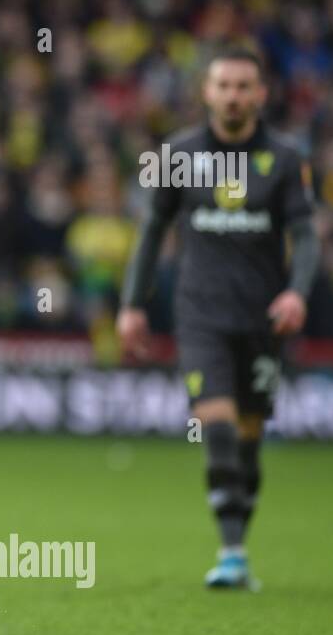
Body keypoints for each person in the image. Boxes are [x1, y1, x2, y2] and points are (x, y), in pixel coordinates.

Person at [118, 48, 319, 589]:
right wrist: (133, 305)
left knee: (250, 438)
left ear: (260, 94)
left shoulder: (285, 155)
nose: (233, 95)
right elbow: (152, 232)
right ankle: (232, 554)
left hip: (263, 319)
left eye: (243, 86)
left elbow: (304, 235)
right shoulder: (178, 153)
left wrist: (298, 293)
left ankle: (237, 541)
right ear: (207, 92)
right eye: (224, 85)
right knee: (220, 427)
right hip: (199, 315)